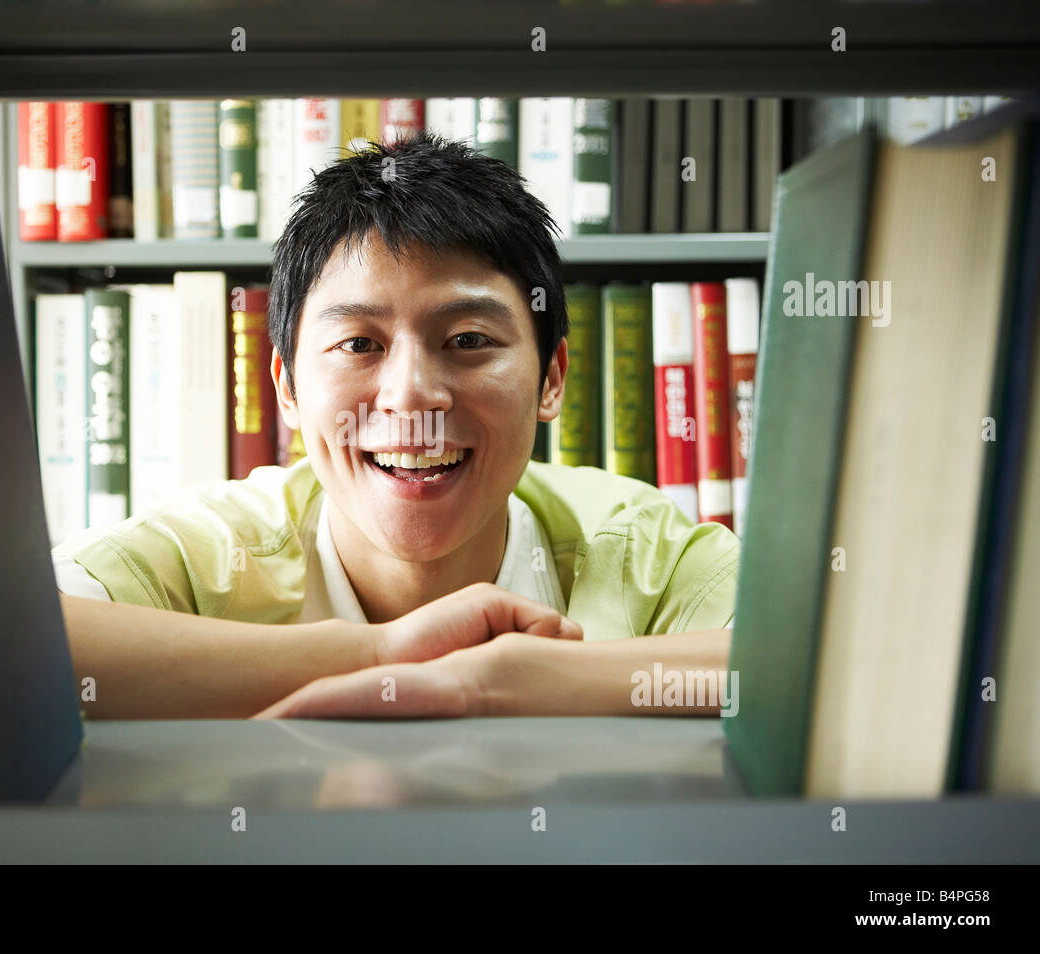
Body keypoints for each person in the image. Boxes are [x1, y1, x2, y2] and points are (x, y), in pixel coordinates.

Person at [54, 132, 739, 719]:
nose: (412, 399)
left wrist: (505, 682)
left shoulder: (635, 553)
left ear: (551, 379)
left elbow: (820, 659)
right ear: (287, 388)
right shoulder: (210, 553)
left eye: (468, 339)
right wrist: (380, 657)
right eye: (359, 344)